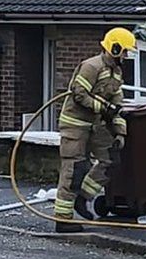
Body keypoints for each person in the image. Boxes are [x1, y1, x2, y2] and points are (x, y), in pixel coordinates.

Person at [52, 27, 136, 233]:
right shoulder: (91, 66)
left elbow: (117, 101)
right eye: (124, 51)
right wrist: (104, 108)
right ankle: (63, 218)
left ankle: (83, 198)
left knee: (111, 159)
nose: (126, 56)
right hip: (75, 125)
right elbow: (79, 94)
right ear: (114, 48)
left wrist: (119, 131)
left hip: (96, 125)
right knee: (75, 168)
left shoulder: (116, 72)